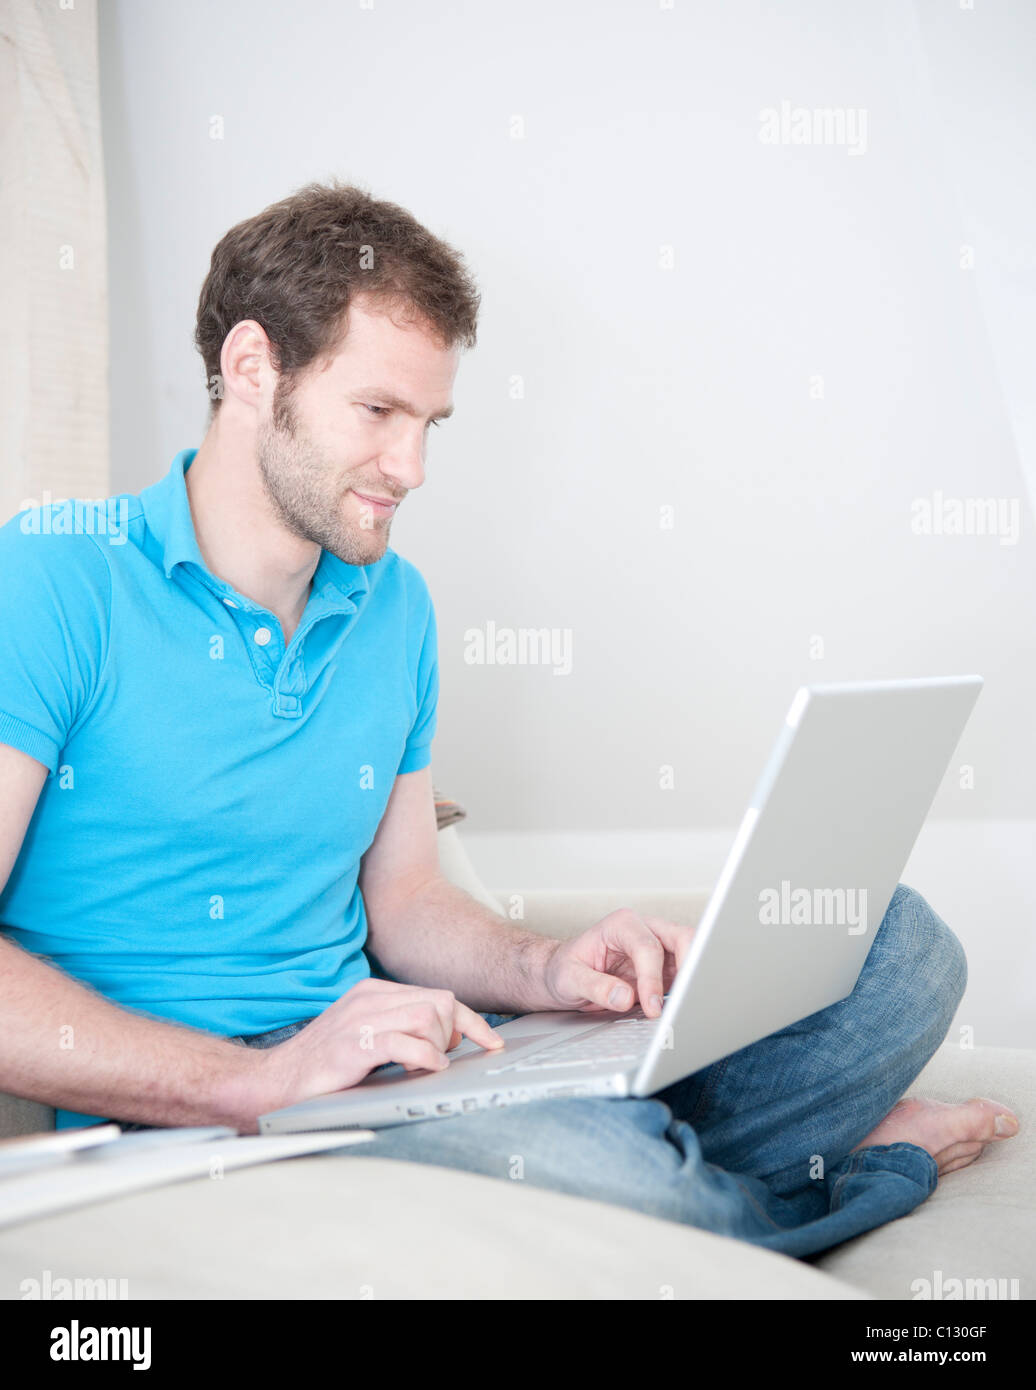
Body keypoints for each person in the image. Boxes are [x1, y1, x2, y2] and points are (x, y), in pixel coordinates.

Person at [0, 181, 1018, 1257]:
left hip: (394, 1056)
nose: (412, 469)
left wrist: (546, 969)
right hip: (212, 1107)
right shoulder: (56, 578)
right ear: (253, 368)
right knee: (622, 1178)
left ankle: (677, 1149)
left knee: (903, 948)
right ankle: (833, 1164)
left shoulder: (393, 604)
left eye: (429, 423)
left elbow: (404, 901)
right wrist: (263, 1075)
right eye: (379, 413)